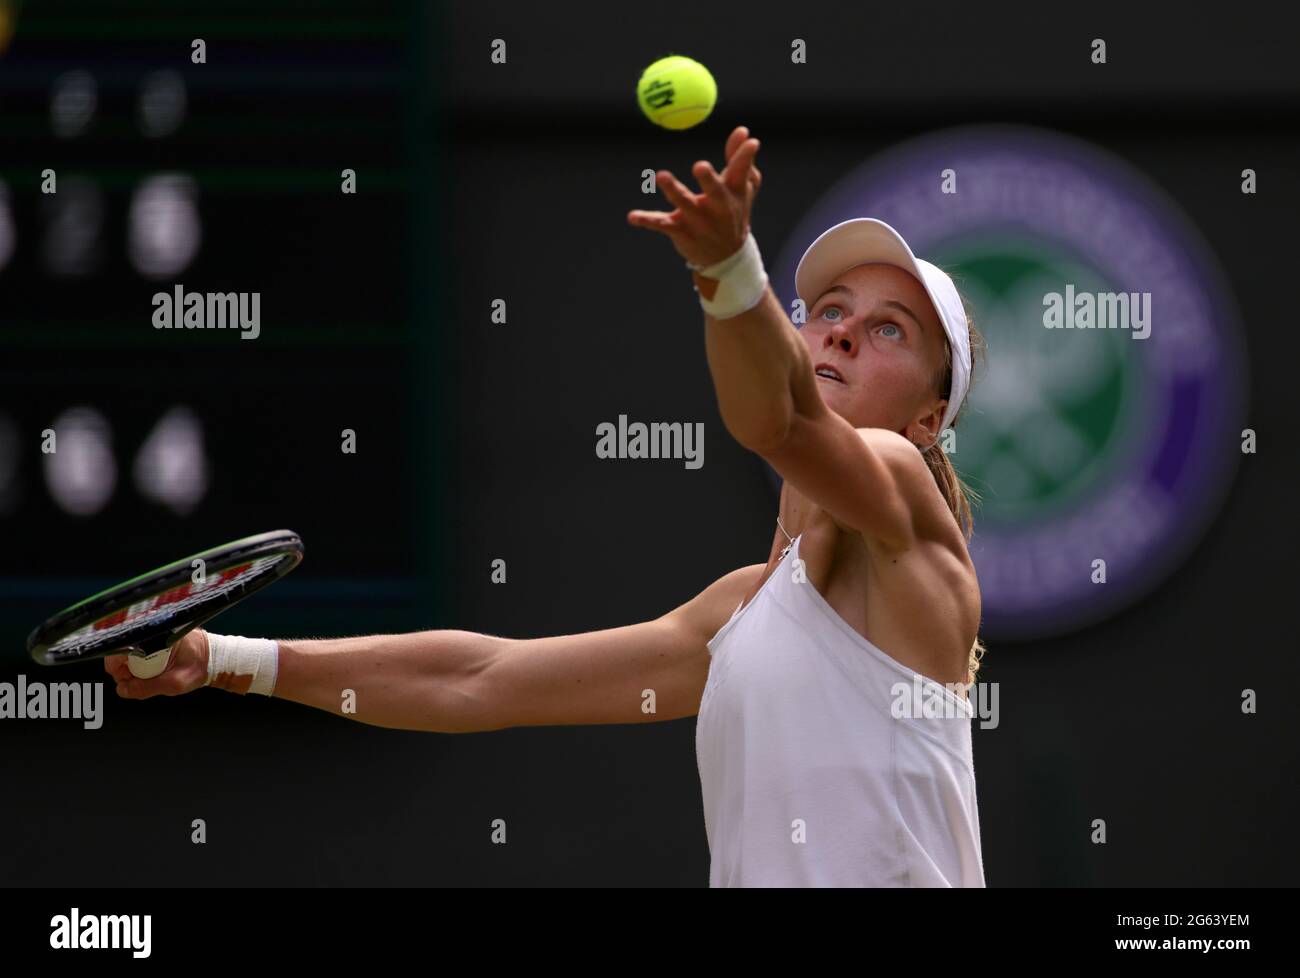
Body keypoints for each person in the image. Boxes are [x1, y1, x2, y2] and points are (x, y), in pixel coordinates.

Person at [107, 125, 988, 887]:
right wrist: (224, 657)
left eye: (889, 330)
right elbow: (478, 680)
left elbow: (779, 418)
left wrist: (729, 270)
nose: (840, 330)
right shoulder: (739, 614)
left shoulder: (902, 489)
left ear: (926, 418)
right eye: (828, 310)